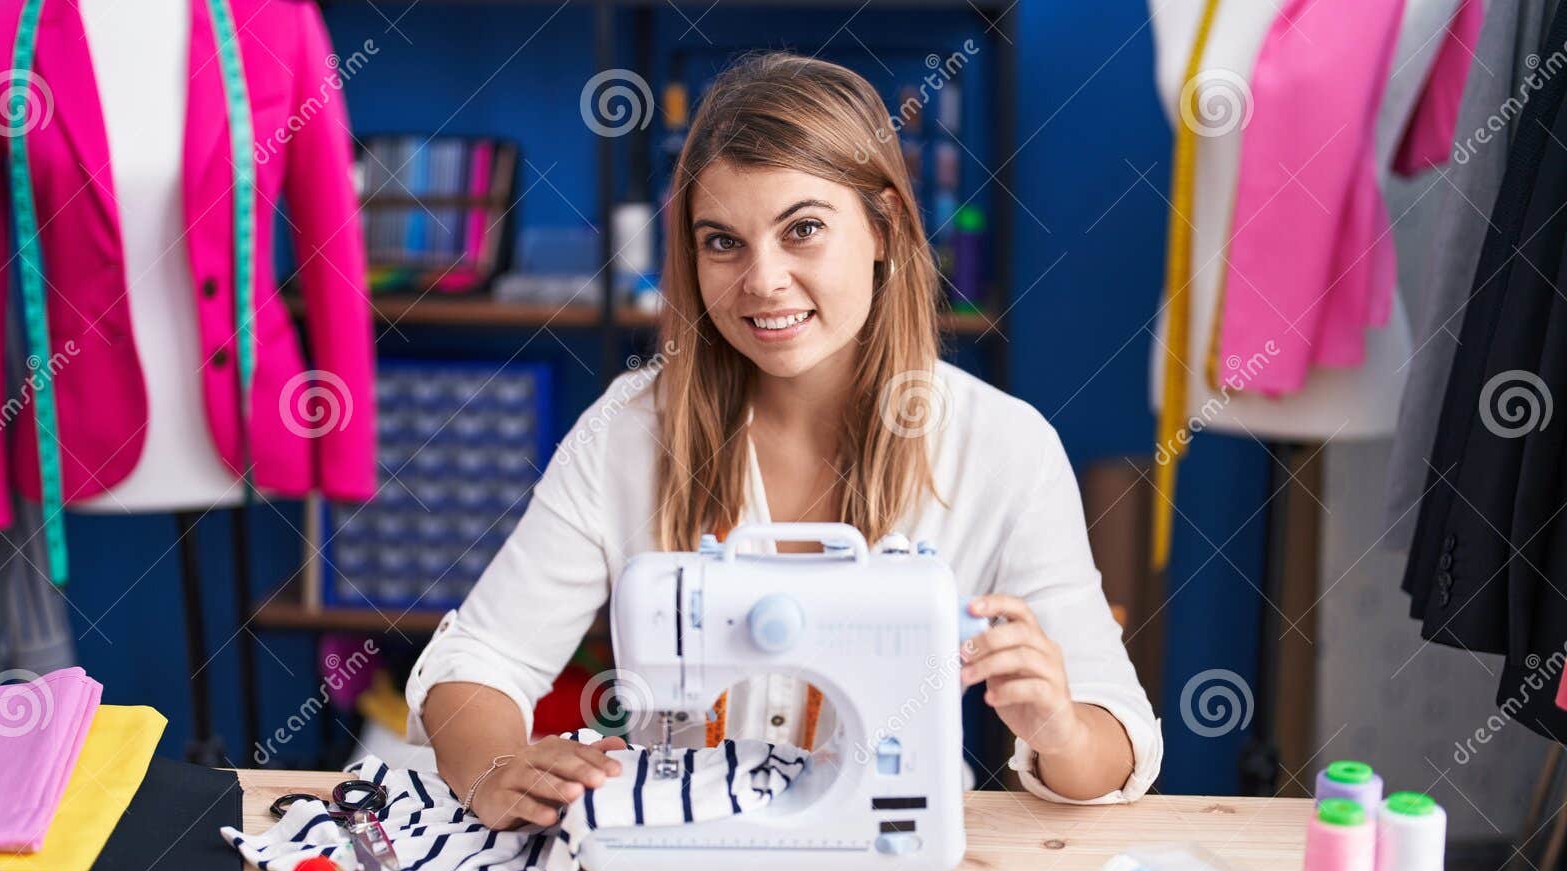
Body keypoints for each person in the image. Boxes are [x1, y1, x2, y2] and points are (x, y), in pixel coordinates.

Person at [406, 52, 1163, 831]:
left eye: (803, 230)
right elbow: (479, 662)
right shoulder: (628, 431)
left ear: (883, 227)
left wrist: (1060, 728)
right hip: (682, 851)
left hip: (888, 858)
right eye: (722, 242)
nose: (762, 280)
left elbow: (1116, 739)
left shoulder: (1003, 447)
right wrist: (494, 770)